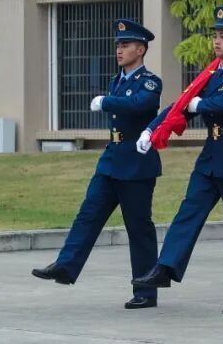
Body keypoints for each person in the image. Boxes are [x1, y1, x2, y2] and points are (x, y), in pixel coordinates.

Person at [130, 7, 223, 314]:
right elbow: (180, 105)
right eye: (215, 36)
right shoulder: (209, 76)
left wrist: (202, 103)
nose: (217, 41)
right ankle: (165, 268)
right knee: (188, 213)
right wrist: (151, 130)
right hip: (211, 157)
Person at [31, 19, 162, 309]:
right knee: (88, 214)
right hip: (112, 158)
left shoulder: (149, 81)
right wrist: (110, 99)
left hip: (137, 163)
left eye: (125, 45)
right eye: (118, 45)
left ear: (140, 49)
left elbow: (141, 105)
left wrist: (107, 103)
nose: (119, 50)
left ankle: (145, 290)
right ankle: (66, 266)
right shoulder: (117, 81)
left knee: (138, 228)